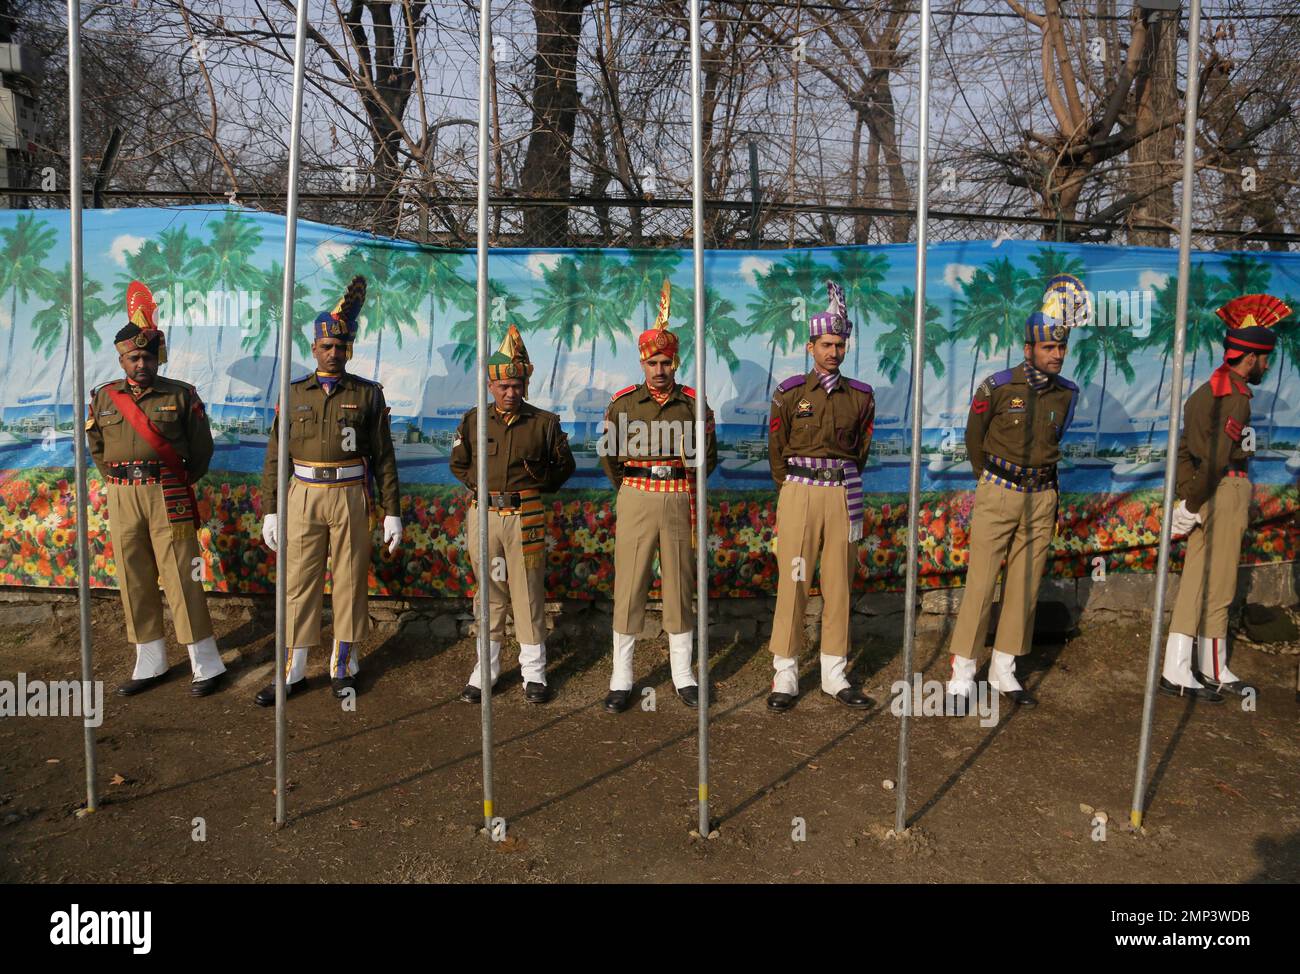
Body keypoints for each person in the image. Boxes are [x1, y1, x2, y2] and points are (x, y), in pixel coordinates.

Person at [255, 275, 402, 705]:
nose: (334, 353)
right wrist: (271, 509)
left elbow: (384, 458)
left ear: (349, 348)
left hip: (351, 493)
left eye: (341, 347)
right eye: (327, 347)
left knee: (349, 581)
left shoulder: (367, 394)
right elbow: (275, 457)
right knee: (298, 581)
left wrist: (392, 510)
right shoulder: (293, 392)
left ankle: (344, 664)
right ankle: (293, 670)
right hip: (302, 492)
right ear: (314, 347)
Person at [943, 274, 1085, 713]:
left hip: (1042, 496)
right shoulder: (999, 386)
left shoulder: (1067, 394)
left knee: (1024, 585)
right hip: (1000, 491)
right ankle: (962, 672)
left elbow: (1054, 440)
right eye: (1048, 347)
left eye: (1061, 347)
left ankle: (1004, 669)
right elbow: (974, 436)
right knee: (982, 582)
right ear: (1029, 349)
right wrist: (988, 477)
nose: (1056, 354)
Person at [86, 280, 225, 697]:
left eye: (147, 355)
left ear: (157, 357)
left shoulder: (182, 396)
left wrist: (176, 481)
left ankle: (207, 662)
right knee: (133, 576)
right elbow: (96, 447)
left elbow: (201, 451)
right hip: (122, 495)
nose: (141, 362)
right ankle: (151, 660)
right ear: (121, 358)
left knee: (182, 574)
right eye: (133, 356)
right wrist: (119, 481)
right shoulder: (104, 398)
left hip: (168, 494)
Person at [1160, 294, 1292, 701]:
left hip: (1203, 492)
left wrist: (1186, 499)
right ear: (1249, 357)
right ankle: (1213, 667)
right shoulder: (1236, 397)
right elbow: (1218, 458)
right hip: (1225, 490)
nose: (1267, 367)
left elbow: (1185, 451)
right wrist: (1194, 504)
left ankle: (1176, 668)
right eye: (1265, 359)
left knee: (1196, 580)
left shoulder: (1203, 393)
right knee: (1220, 584)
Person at [600, 280, 718, 713]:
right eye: (652, 362)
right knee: (629, 584)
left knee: (679, 584)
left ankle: (683, 674)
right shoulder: (624, 404)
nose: (659, 370)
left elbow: (708, 456)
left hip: (678, 497)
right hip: (636, 494)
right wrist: (630, 488)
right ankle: (622, 677)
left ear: (676, 361)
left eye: (666, 362)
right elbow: (610, 457)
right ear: (642, 362)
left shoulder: (692, 404)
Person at [450, 325, 575, 704]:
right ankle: (484, 671)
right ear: (491, 385)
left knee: (528, 593)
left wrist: (534, 490)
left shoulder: (544, 423)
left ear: (525, 384)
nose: (511, 392)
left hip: (527, 516)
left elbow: (563, 466)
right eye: (504, 386)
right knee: (489, 593)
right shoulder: (474, 420)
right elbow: (459, 463)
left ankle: (533, 673)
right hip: (484, 515)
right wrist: (481, 488)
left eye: (517, 385)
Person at [766, 280, 876, 712]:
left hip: (842, 494)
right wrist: (793, 490)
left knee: (838, 584)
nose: (834, 351)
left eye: (840, 344)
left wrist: (836, 485)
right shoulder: (790, 393)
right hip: (799, 494)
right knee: (793, 581)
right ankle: (786, 672)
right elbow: (776, 449)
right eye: (826, 343)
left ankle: (834, 672)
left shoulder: (861, 398)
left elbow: (860, 451)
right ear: (810, 345)